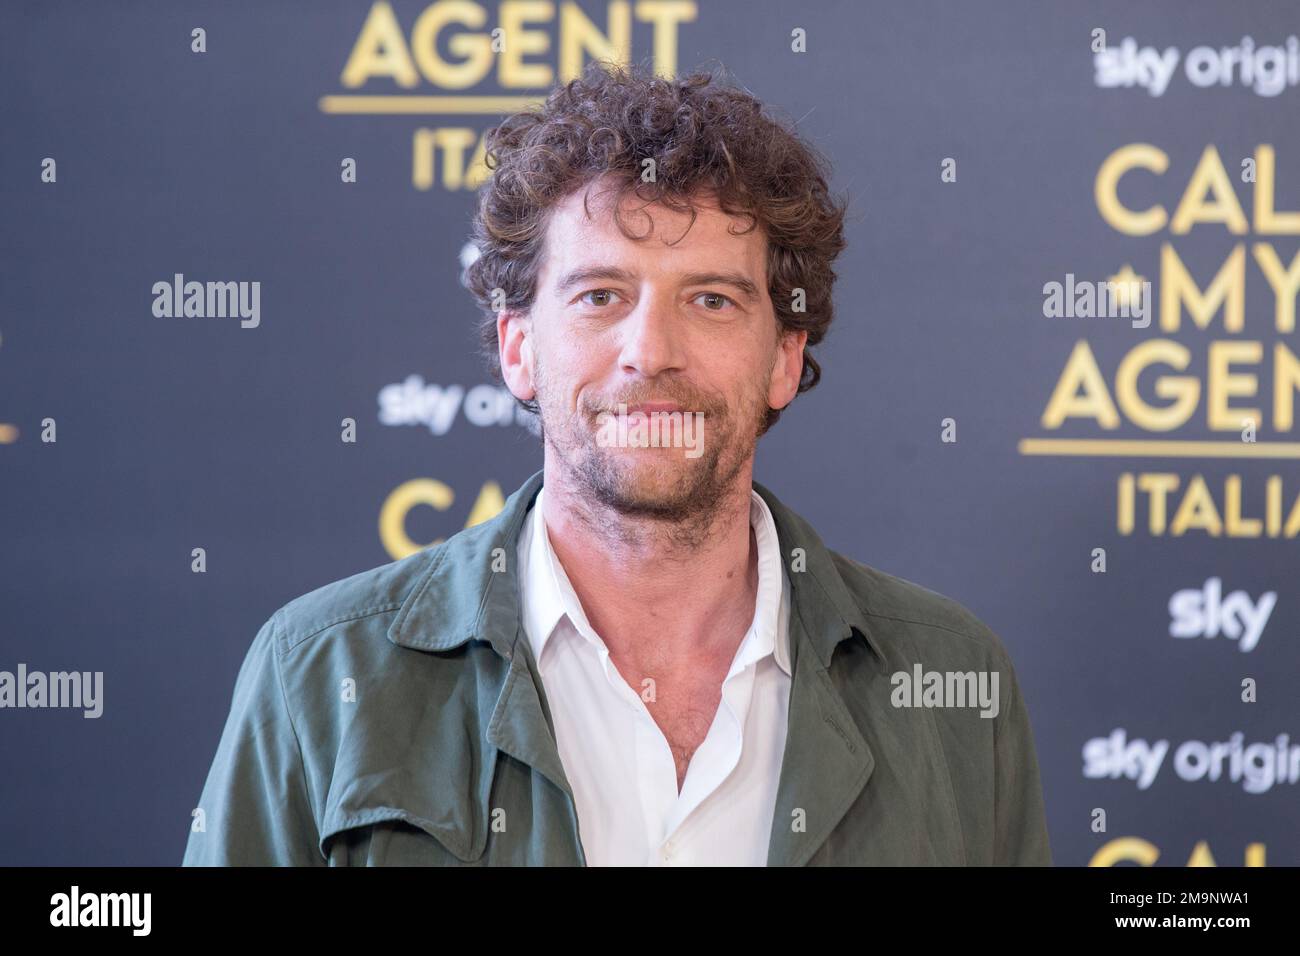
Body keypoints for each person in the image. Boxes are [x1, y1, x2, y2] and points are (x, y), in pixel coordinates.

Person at [183, 61, 1051, 867]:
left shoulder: (948, 680)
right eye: (602, 296)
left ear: (784, 357)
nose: (651, 352)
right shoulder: (321, 673)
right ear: (518, 347)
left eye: (710, 300)